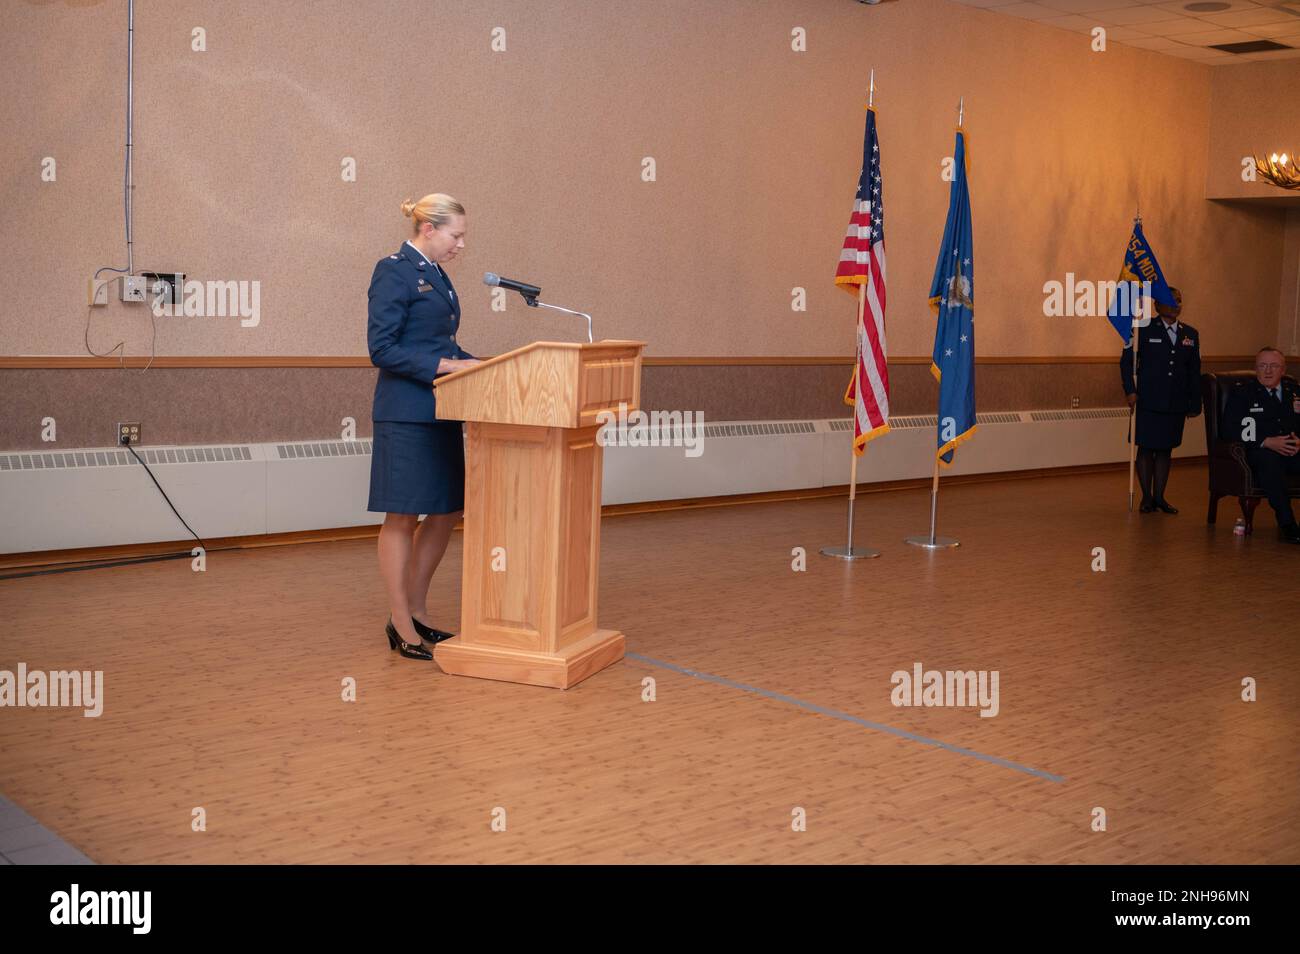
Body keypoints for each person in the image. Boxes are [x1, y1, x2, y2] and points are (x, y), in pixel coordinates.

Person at [366, 193, 480, 660]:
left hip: (440, 411)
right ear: (428, 229)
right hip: (405, 412)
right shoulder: (393, 270)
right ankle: (399, 624)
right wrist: (446, 365)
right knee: (402, 516)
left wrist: (482, 364)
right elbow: (383, 348)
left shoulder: (438, 275)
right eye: (456, 235)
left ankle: (418, 611)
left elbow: (441, 343)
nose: (461, 245)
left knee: (447, 510)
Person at [1120, 286, 1201, 513]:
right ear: (1157, 305)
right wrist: (1130, 390)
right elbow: (1127, 363)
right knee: (1146, 449)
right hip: (1147, 399)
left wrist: (1195, 403)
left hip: (1175, 402)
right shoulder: (1142, 329)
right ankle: (1146, 497)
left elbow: (1194, 370)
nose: (1176, 304)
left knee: (1166, 449)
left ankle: (1160, 497)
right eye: (1171, 300)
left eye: (1179, 300)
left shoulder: (1190, 334)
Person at [1221, 347, 1300, 545]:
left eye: (1274, 366)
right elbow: (1229, 428)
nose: (1268, 371)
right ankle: (1287, 523)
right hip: (1260, 451)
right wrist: (1266, 441)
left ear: (1283, 370)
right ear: (1255, 368)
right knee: (1269, 463)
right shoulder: (1243, 394)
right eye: (1262, 366)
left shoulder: (1294, 392)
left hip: (1293, 449)